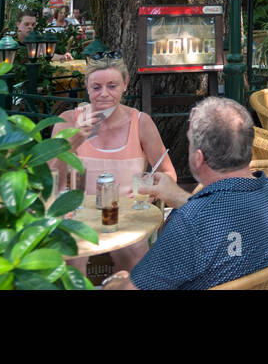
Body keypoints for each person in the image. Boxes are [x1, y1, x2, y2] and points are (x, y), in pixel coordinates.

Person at [105, 98, 268, 290]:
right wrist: (181, 198)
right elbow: (223, 219)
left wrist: (113, 282)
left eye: (190, 143)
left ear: (198, 158)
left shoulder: (190, 222)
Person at [51, 57, 176, 278]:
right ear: (87, 88)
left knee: (136, 258)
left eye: (112, 86)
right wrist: (75, 139)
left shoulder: (140, 122)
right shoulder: (68, 120)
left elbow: (167, 173)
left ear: (125, 85)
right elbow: (50, 176)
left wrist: (151, 193)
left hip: (125, 216)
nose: (104, 94)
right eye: (96, 87)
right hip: (77, 214)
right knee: (71, 259)